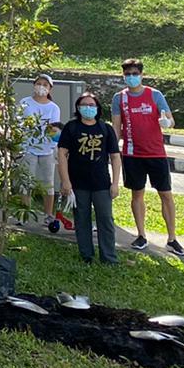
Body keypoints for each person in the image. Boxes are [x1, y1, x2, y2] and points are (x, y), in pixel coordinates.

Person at [112, 58, 184, 257]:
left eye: (135, 74)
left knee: (166, 195)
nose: (131, 77)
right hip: (131, 154)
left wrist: (166, 123)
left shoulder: (155, 94)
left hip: (156, 153)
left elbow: (170, 119)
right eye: (127, 74)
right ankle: (141, 235)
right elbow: (116, 128)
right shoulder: (119, 98)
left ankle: (172, 239)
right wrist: (110, 149)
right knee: (137, 194)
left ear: (142, 75)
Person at [58, 90, 122, 264]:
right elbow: (62, 154)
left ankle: (109, 257)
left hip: (101, 183)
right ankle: (86, 254)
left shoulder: (105, 129)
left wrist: (115, 183)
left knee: (106, 220)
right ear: (78, 108)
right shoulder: (71, 128)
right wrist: (65, 181)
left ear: (98, 108)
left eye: (91, 105)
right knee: (81, 219)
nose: (88, 108)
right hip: (78, 183)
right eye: (84, 105)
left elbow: (115, 157)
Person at [20, 74, 64, 231]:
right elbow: (19, 124)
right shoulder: (25, 103)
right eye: (38, 83)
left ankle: (48, 214)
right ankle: (24, 213)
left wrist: (55, 144)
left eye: (45, 84)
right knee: (26, 182)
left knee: (47, 183)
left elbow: (54, 130)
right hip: (27, 147)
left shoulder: (53, 107)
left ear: (50, 88)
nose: (41, 86)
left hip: (46, 149)